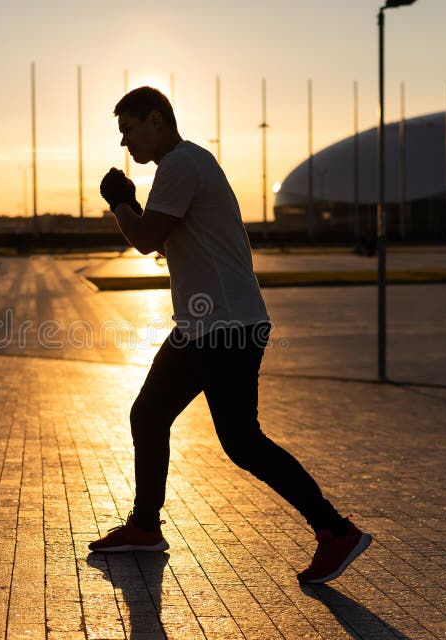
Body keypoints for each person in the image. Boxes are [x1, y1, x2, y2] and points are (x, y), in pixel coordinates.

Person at [89, 86, 371, 584]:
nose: (125, 142)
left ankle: (335, 531)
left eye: (129, 129)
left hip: (225, 326)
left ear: (156, 119)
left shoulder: (180, 165)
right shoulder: (187, 165)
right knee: (151, 414)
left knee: (241, 441)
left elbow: (148, 239)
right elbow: (162, 238)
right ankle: (145, 526)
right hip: (210, 324)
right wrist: (133, 206)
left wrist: (119, 203)